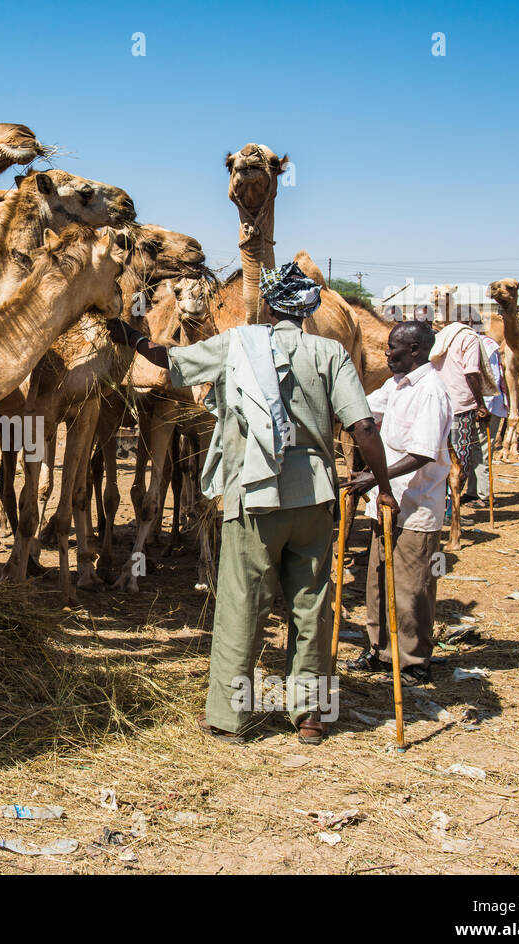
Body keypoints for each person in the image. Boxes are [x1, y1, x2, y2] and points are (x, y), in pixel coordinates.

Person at [107, 263, 397, 744]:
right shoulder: (331, 354)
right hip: (313, 498)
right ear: (308, 312)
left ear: (266, 306)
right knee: (312, 606)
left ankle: (229, 718)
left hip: (254, 496)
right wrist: (382, 486)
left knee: (242, 605)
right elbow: (363, 428)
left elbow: (167, 359)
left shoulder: (238, 343)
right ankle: (310, 717)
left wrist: (128, 334)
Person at [346, 322, 452, 684]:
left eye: (393, 348)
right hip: (386, 501)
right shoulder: (396, 385)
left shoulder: (430, 392)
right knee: (377, 581)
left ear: (416, 351)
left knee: (410, 587)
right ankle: (379, 650)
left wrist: (373, 477)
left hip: (415, 503)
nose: (386, 354)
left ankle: (412, 661)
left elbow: (422, 453)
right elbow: (361, 413)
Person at [429, 311, 492, 507]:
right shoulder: (469, 337)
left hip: (437, 402)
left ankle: (438, 504)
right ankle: (449, 508)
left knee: (438, 457)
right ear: (471, 322)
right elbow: (471, 372)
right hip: (461, 405)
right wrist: (481, 404)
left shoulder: (441, 337)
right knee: (460, 459)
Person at [464, 318, 508, 505]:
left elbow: (492, 378)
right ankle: (474, 492)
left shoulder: (486, 345)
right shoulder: (477, 343)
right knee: (475, 449)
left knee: (482, 451)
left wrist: (484, 407)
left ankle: (484, 495)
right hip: (480, 404)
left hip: (488, 405)